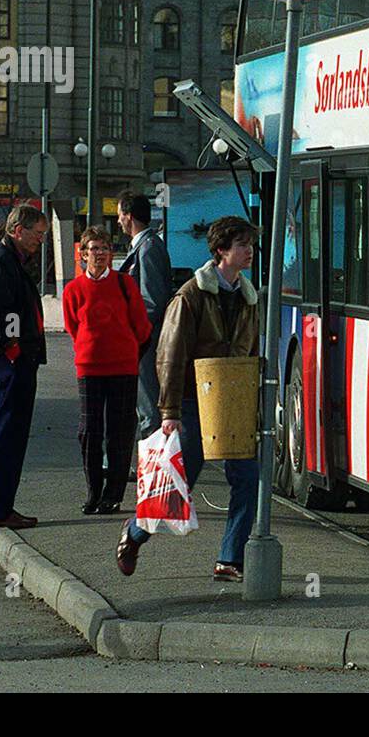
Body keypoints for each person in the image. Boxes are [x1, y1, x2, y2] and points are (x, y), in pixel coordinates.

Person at [116, 216, 261, 583]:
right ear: (221, 251)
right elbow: (170, 354)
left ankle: (229, 558)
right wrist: (169, 411)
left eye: (251, 245)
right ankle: (134, 533)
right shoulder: (190, 296)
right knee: (179, 481)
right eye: (243, 245)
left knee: (247, 477)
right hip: (194, 400)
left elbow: (251, 352)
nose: (250, 252)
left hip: (232, 399)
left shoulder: (248, 296)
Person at [62, 226, 151, 515]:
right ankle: (93, 492)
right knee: (90, 431)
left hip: (123, 367)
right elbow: (72, 327)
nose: (99, 254)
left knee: (120, 431)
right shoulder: (73, 290)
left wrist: (126, 351)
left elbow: (141, 327)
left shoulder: (125, 284)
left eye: (104, 248)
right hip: (89, 368)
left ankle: (113, 495)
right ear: (83, 253)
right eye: (93, 248)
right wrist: (90, 348)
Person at [0, 204, 48, 530]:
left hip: (18, 359)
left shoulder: (9, 260)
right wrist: (13, 350)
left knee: (13, 434)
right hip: (14, 361)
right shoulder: (2, 262)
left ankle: (2, 506)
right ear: (18, 230)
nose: (40, 241)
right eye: (37, 234)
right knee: (9, 434)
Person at [117, 192, 171, 441]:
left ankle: (153, 467)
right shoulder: (145, 245)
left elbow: (152, 299)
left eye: (119, 215)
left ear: (129, 216)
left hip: (144, 340)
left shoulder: (148, 248)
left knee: (149, 405)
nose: (118, 221)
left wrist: (132, 332)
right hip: (142, 339)